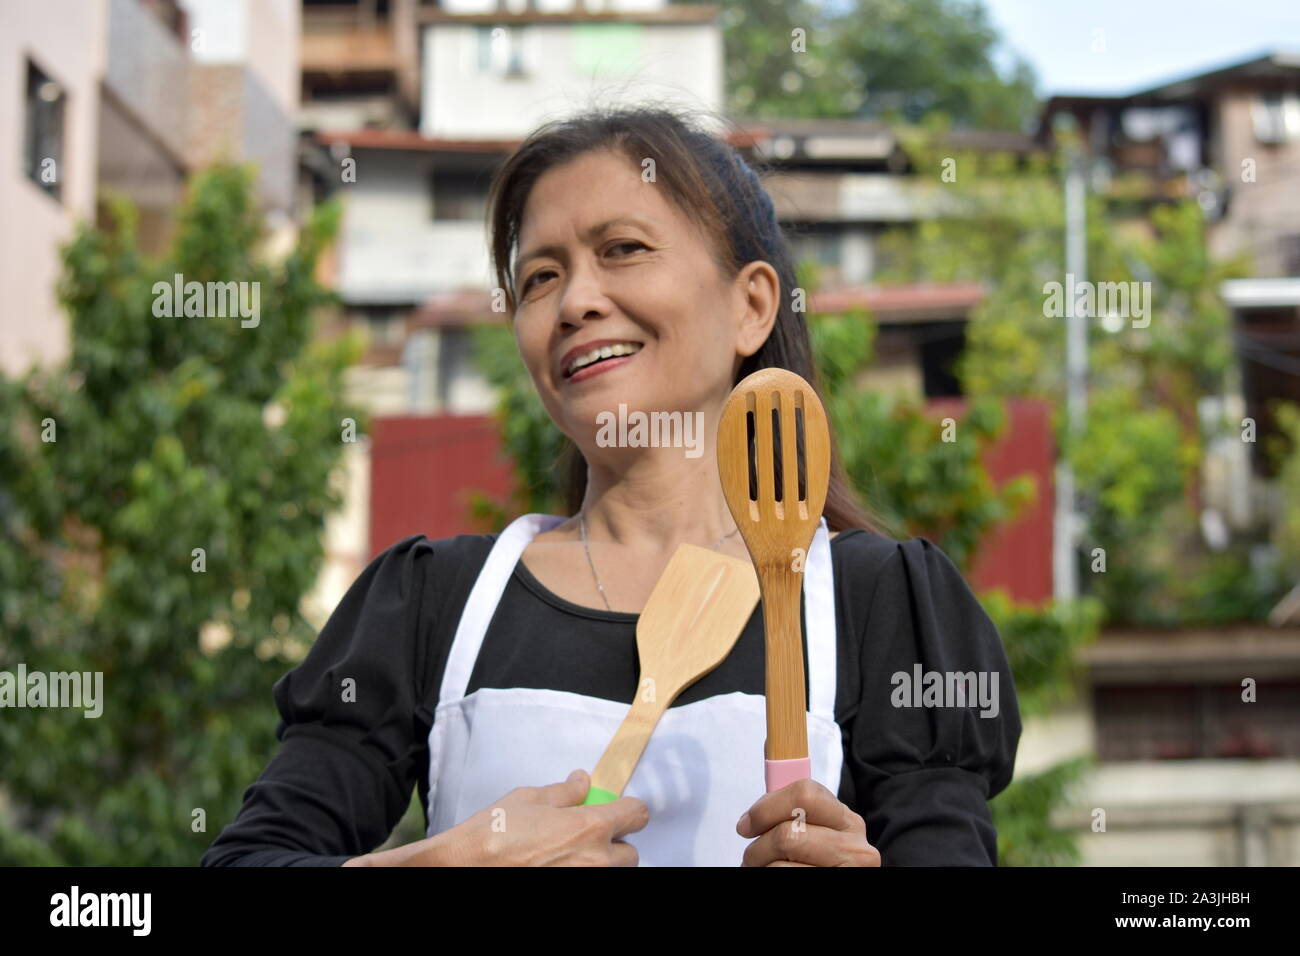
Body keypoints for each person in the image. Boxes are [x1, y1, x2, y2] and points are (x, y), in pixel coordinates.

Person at [201, 106, 1021, 868]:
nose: (576, 303)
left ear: (752, 306)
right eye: (539, 279)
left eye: (623, 249)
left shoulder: (880, 606)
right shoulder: (430, 604)